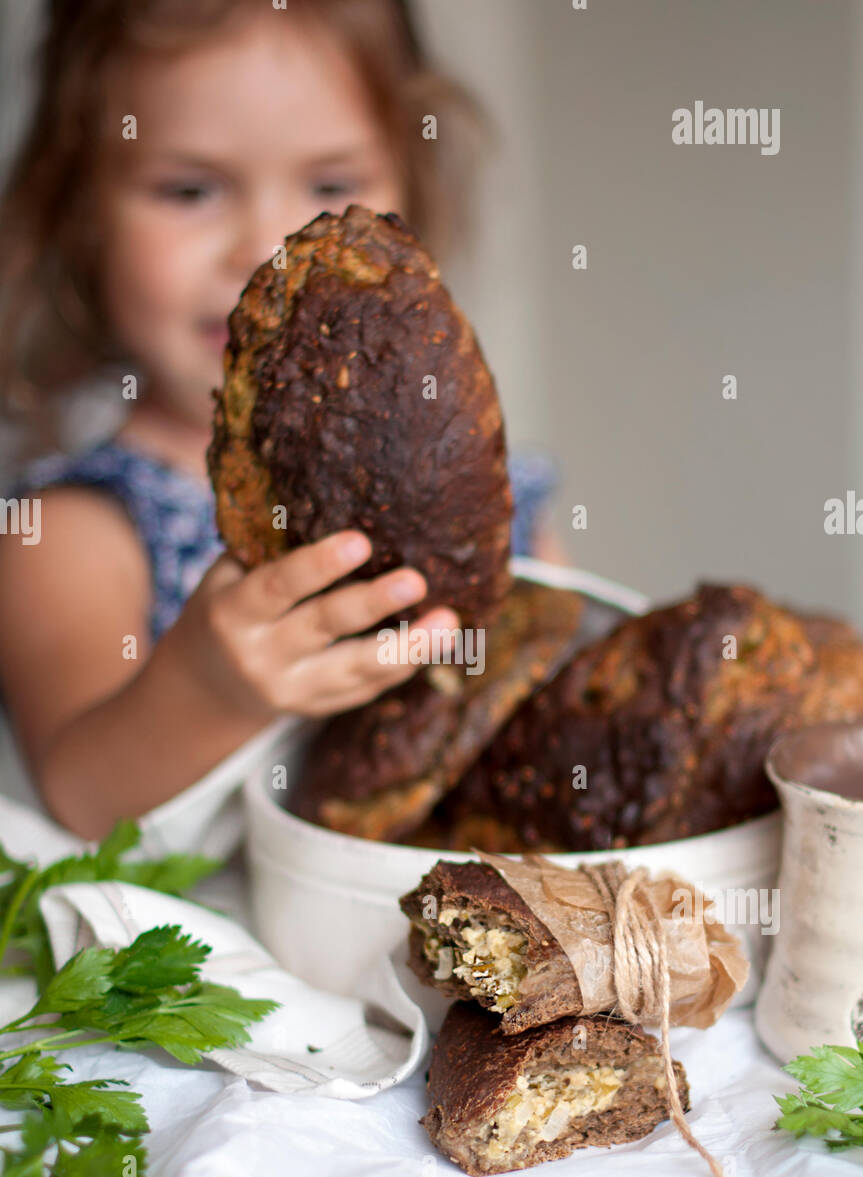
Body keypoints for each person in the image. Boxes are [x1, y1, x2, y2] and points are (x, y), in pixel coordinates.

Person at [0, 0, 561, 837]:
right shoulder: (73, 533)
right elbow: (79, 802)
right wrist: (208, 689)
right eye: (189, 190)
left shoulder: (496, 497)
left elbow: (562, 664)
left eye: (332, 185)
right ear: (81, 216)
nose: (269, 242)